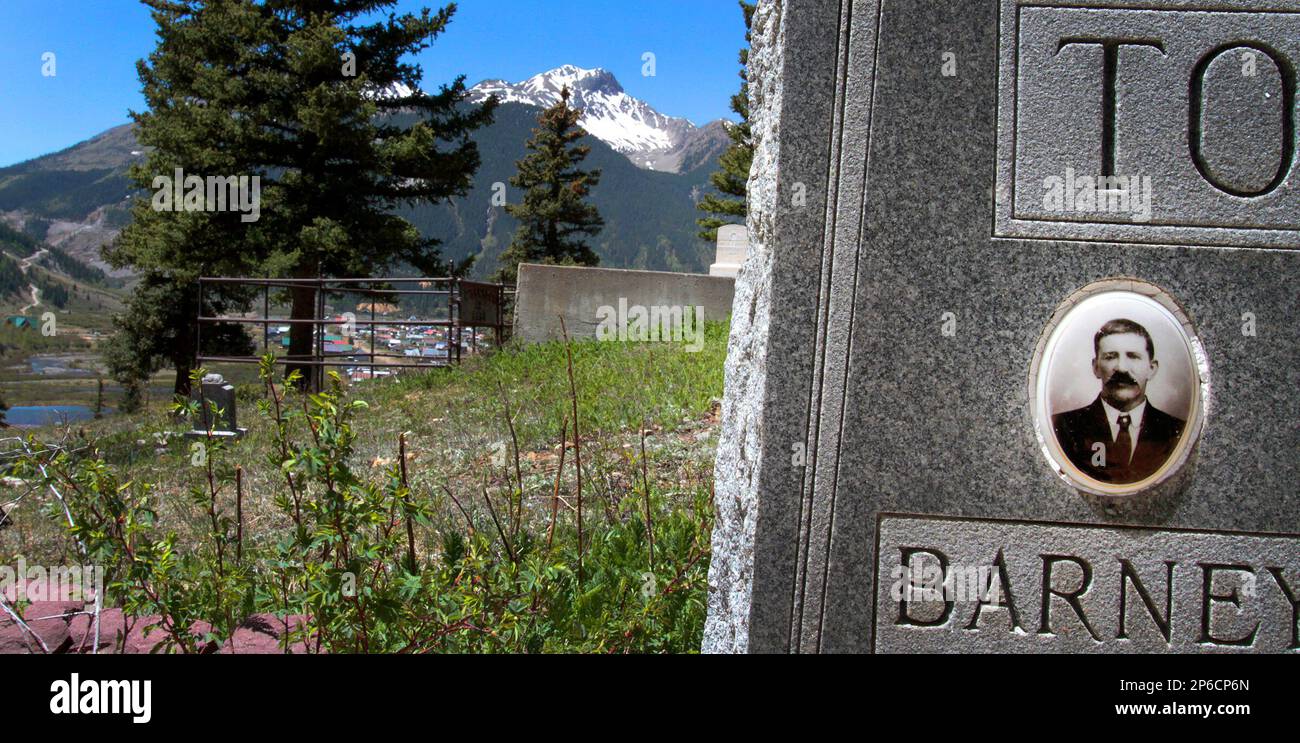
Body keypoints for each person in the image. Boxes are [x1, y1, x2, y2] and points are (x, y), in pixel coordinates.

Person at [1052, 318, 1184, 484]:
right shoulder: (1062, 427)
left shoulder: (1176, 431)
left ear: (1151, 368)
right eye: (1110, 357)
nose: (1122, 368)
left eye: (1133, 357)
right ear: (1096, 367)